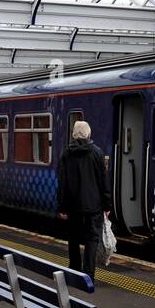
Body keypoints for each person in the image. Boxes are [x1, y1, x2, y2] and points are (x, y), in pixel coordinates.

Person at [56, 120, 112, 280]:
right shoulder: (97, 153)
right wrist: (107, 205)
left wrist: (62, 207)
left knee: (73, 238)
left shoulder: (67, 154)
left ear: (74, 135)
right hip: (93, 206)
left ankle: (73, 269)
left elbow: (63, 183)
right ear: (89, 134)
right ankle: (88, 274)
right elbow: (103, 181)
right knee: (91, 239)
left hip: (73, 207)